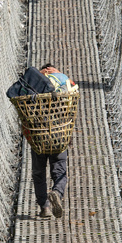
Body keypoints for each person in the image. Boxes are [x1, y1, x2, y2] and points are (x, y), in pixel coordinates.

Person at [31, 63, 77, 219]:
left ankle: (44, 208)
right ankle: (57, 192)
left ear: (46, 70)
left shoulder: (33, 83)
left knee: (39, 173)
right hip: (59, 133)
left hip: (38, 134)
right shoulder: (66, 82)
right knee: (60, 171)